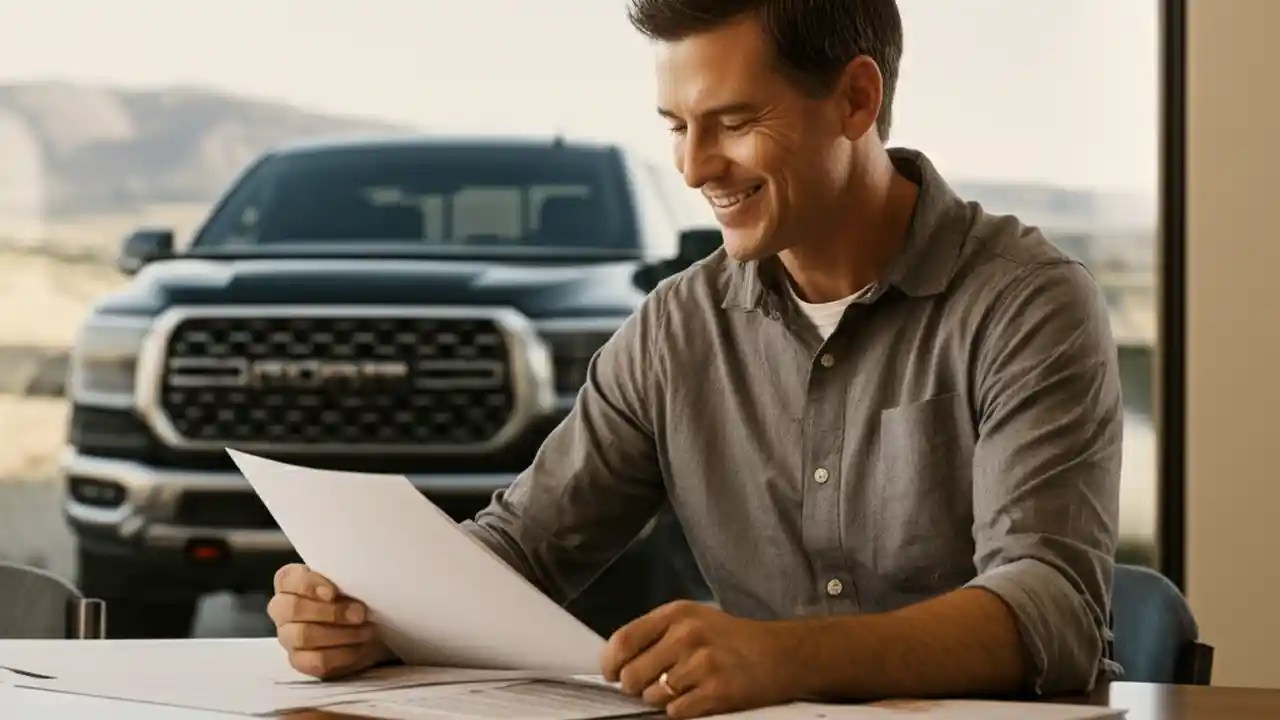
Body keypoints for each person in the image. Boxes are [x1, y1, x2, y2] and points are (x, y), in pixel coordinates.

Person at [266, 1, 1123, 717]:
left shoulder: (1028, 302)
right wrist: (370, 616)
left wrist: (788, 658)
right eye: (677, 127)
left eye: (736, 122)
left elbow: (1054, 609)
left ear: (857, 99)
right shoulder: (678, 327)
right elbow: (523, 547)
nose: (692, 166)